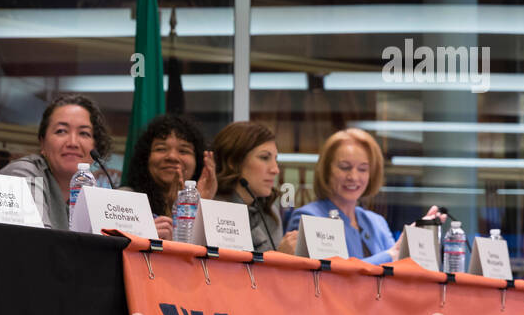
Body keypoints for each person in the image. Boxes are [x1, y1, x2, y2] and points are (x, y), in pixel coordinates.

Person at [284, 128, 444, 264]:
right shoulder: (309, 217)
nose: (353, 177)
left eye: (362, 169)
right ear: (326, 170)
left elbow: (397, 270)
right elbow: (331, 279)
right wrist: (391, 254)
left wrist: (415, 240)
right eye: (345, 167)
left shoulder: (377, 222)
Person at [0, 94, 115, 230]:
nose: (73, 143)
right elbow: (37, 239)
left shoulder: (92, 190)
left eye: (84, 133)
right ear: (43, 143)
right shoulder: (22, 174)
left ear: (95, 146)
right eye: (61, 131)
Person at [120, 112, 217, 239]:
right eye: (161, 149)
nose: (172, 157)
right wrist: (146, 234)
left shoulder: (214, 207)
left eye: (183, 151)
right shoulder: (125, 199)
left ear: (198, 161)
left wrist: (201, 205)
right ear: (145, 157)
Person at [213, 121, 298, 254]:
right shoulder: (212, 210)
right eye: (264, 158)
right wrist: (281, 257)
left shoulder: (270, 212)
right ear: (233, 162)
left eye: (275, 159)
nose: (275, 170)